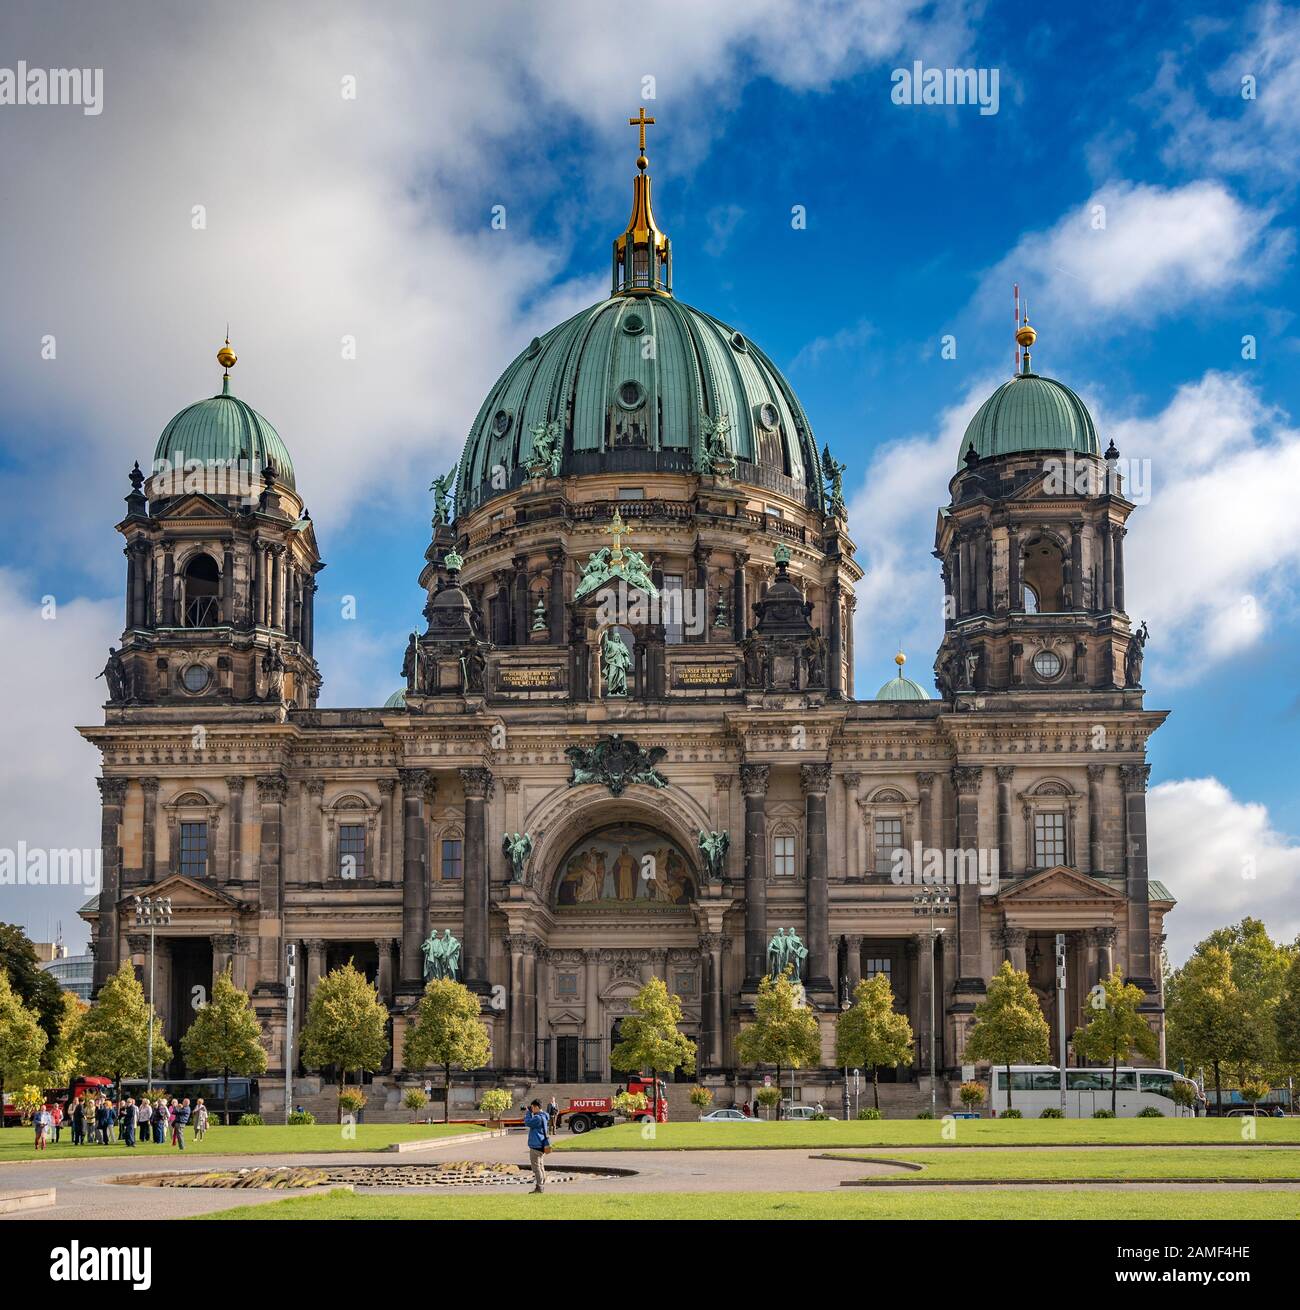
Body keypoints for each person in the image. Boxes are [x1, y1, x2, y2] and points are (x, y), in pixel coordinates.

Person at [522, 1098, 550, 1193]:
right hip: (542, 1144)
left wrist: (528, 1113)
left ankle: (539, 1186)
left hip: (536, 1145)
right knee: (541, 1165)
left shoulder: (538, 1118)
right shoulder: (544, 1116)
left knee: (536, 1167)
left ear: (537, 1107)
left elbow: (527, 1122)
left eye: (533, 1107)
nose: (532, 1109)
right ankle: (542, 1183)